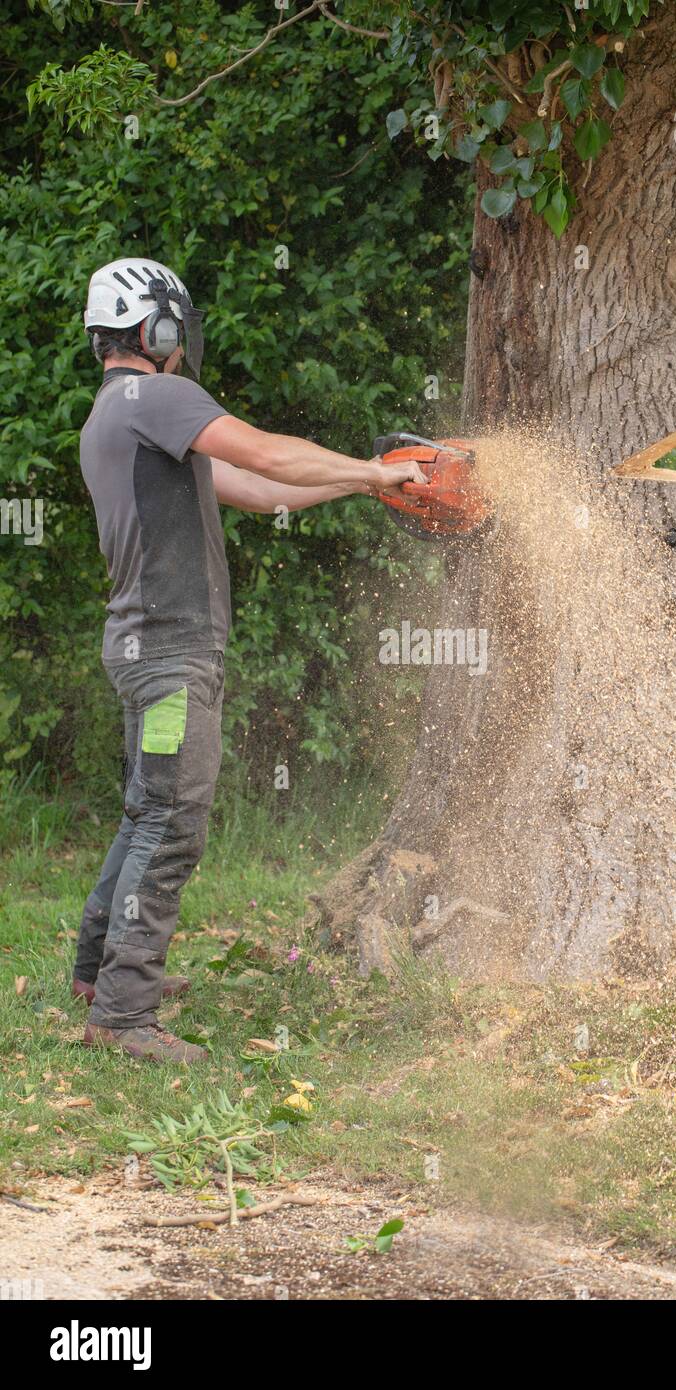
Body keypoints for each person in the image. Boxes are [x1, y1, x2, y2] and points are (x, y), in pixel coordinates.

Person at [74, 256, 426, 1063]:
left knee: (145, 814)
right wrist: (372, 467)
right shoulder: (158, 397)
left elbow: (264, 491)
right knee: (171, 827)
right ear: (152, 328)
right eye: (176, 326)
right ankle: (124, 1018)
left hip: (143, 648)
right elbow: (268, 455)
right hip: (169, 657)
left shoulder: (116, 414)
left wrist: (365, 487)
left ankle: (101, 975)